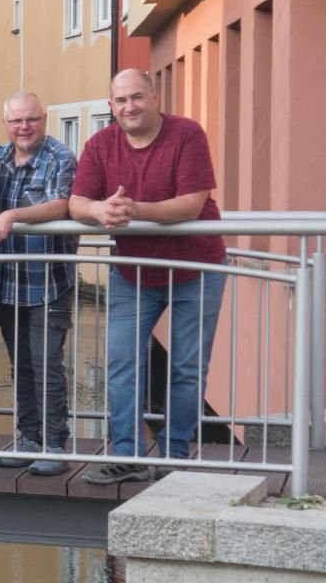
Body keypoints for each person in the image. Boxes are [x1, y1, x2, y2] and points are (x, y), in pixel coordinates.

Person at [71, 69, 228, 484]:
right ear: (111, 106)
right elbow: (77, 201)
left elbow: (190, 205)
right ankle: (129, 457)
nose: (130, 106)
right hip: (133, 271)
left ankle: (174, 456)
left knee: (187, 367)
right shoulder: (100, 144)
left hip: (197, 268)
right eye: (121, 100)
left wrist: (133, 210)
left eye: (137, 97)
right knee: (121, 363)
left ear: (155, 97)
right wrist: (99, 210)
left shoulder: (186, 134)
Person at [0, 92, 77, 476]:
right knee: (20, 363)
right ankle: (29, 438)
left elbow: (60, 205)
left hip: (48, 281)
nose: (24, 127)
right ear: (5, 123)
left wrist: (11, 215)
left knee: (46, 363)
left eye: (31, 119)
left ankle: (55, 443)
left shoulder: (60, 157)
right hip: (5, 281)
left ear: (44, 119)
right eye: (16, 121)